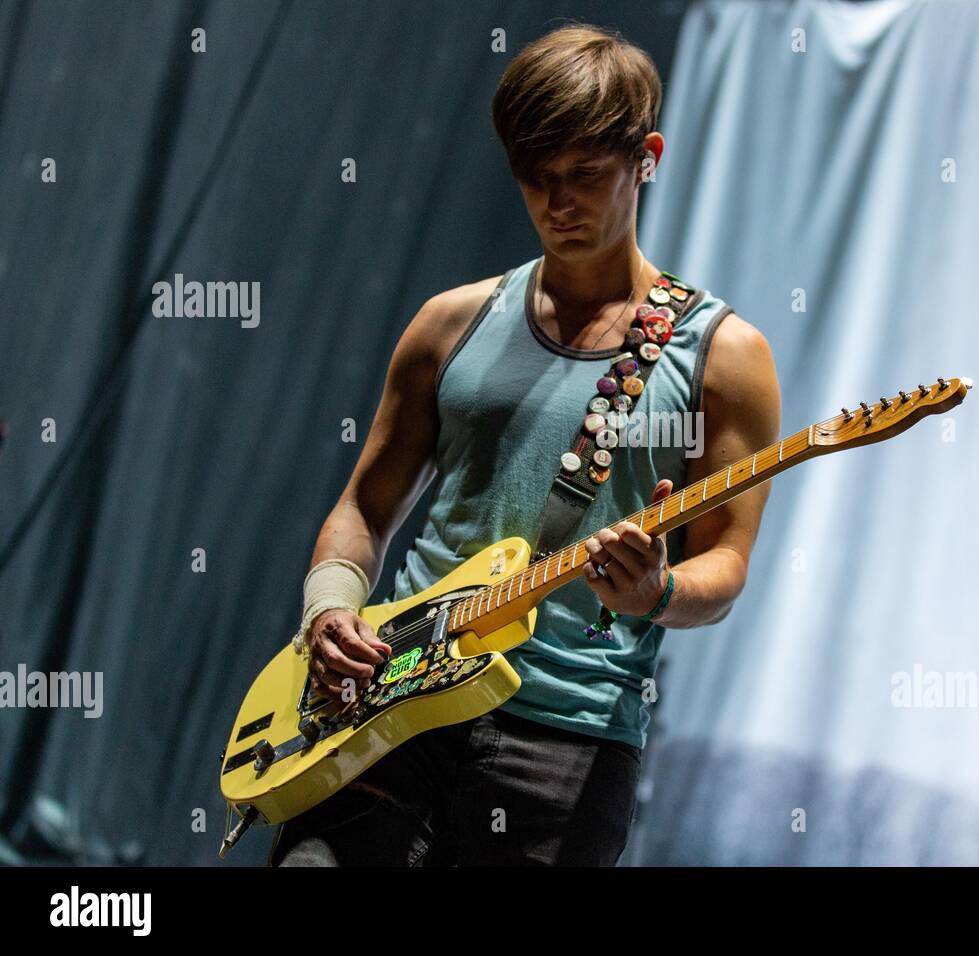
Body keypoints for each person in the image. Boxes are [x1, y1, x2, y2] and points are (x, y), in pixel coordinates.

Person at [269, 23, 781, 866]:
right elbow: (364, 506)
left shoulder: (725, 357)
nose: (559, 202)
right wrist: (328, 606)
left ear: (647, 156)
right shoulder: (449, 322)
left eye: (586, 174)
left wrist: (654, 591)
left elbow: (724, 569)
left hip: (567, 744)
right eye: (536, 178)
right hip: (390, 707)